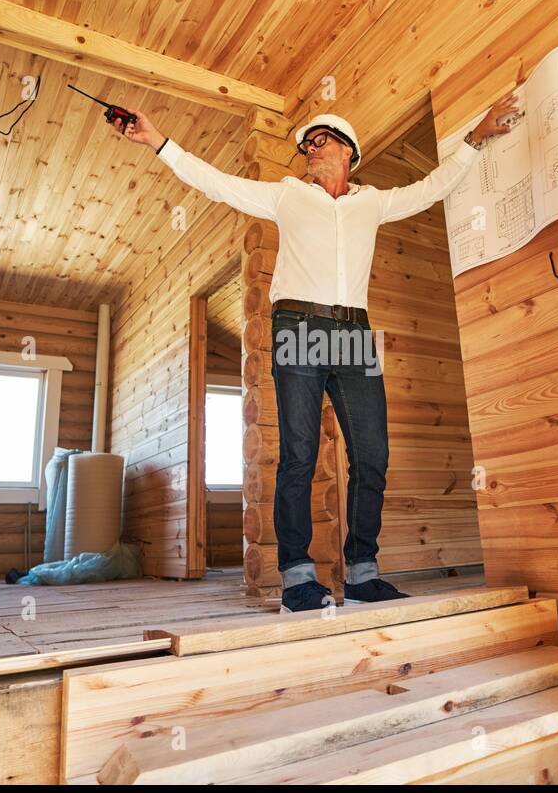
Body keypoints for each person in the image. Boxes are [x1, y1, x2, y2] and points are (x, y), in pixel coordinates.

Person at [108, 95, 519, 612]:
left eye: (317, 141)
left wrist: (476, 138)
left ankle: (364, 572)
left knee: (372, 456)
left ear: (348, 150)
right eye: (304, 145)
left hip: (353, 332)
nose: (307, 150)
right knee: (299, 455)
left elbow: (432, 187)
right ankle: (299, 577)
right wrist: (158, 141)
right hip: (297, 325)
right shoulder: (286, 195)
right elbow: (216, 183)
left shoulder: (373, 201)